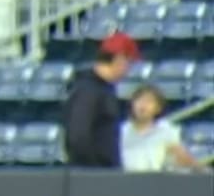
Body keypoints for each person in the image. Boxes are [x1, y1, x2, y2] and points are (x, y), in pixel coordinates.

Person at [63, 30, 139, 168]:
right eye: (129, 63)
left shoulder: (101, 89)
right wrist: (96, 169)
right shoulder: (88, 90)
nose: (128, 70)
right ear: (119, 59)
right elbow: (78, 136)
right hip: (92, 177)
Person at [122, 83, 207, 173]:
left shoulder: (166, 131)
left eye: (149, 101)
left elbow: (184, 159)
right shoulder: (121, 131)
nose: (143, 105)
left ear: (158, 108)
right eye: (139, 100)